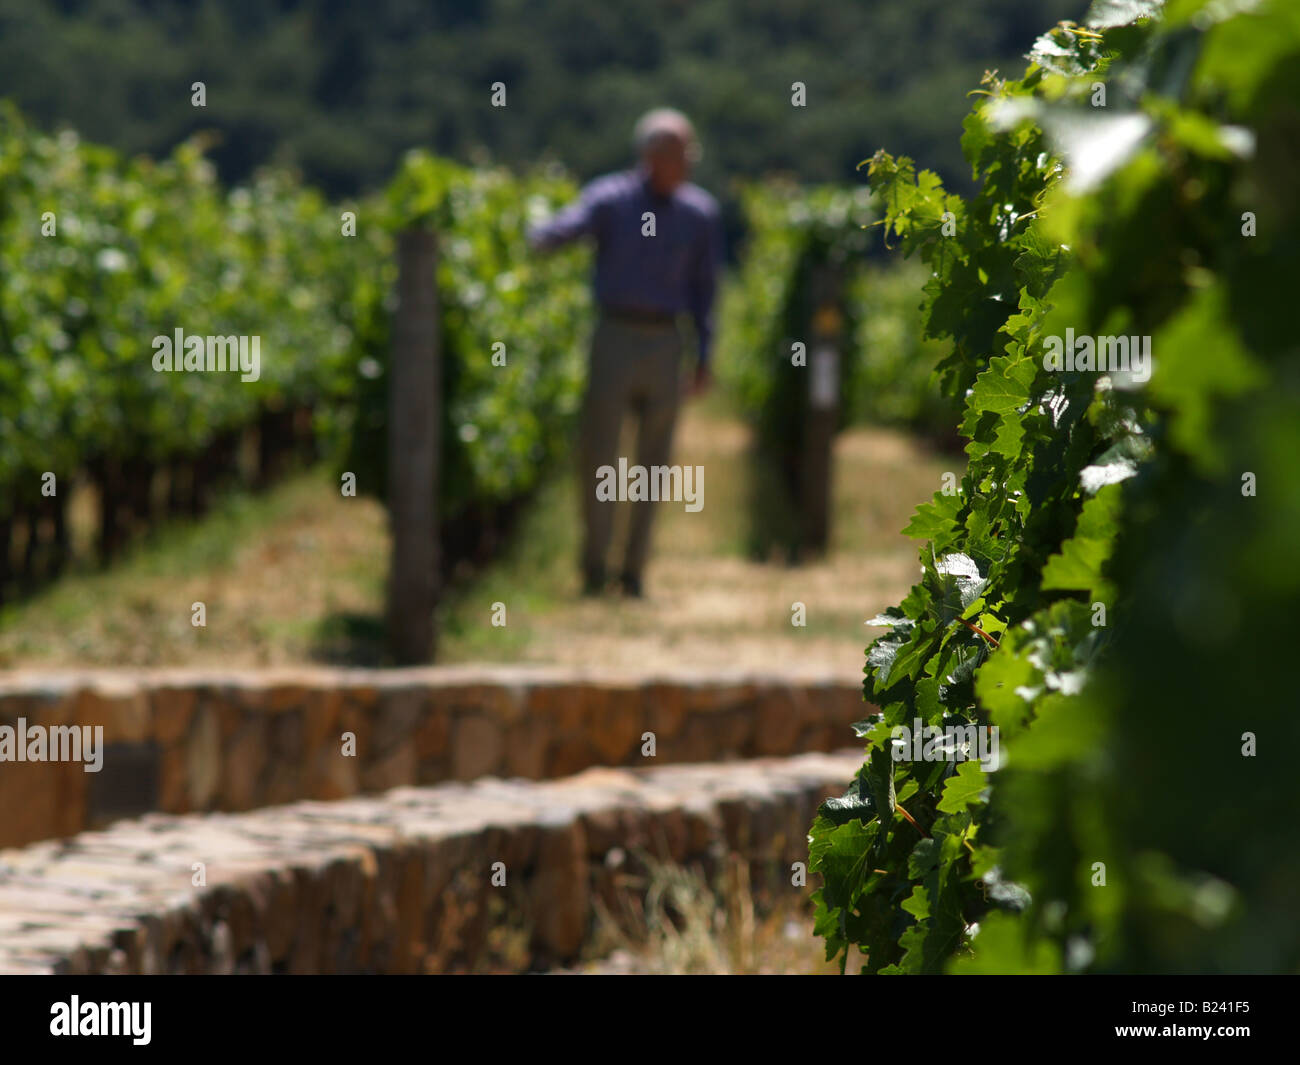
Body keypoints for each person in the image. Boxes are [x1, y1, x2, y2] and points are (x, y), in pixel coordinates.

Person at [528, 108, 723, 598]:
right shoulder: (610, 199)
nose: (689, 162)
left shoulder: (700, 214)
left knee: (653, 468)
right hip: (614, 336)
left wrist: (704, 356)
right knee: (600, 459)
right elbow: (567, 226)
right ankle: (594, 569)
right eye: (682, 153)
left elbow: (706, 291)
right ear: (652, 156)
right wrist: (533, 236)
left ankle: (633, 573)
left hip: (665, 342)